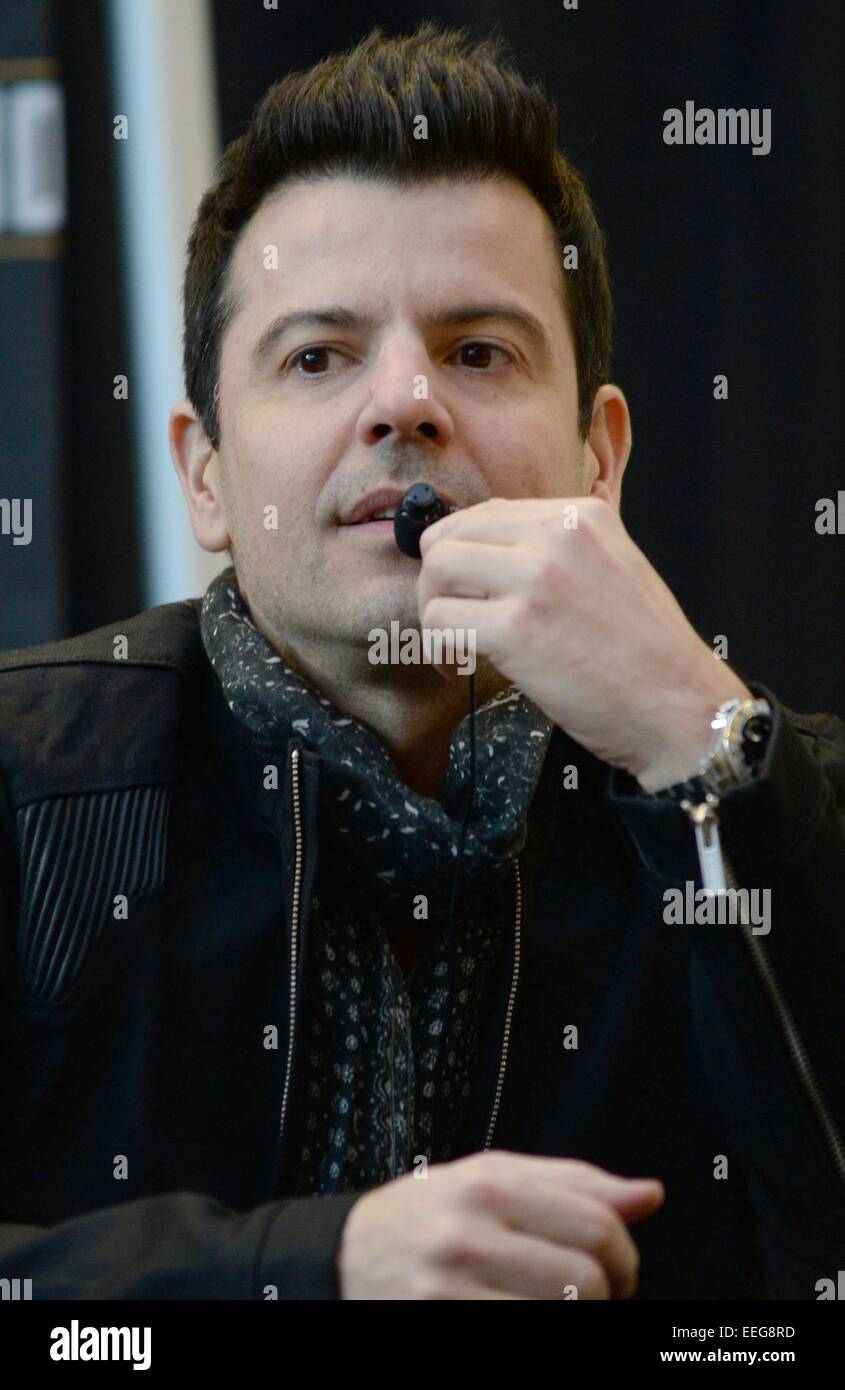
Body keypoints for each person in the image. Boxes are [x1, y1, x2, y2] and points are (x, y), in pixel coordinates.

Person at [0, 22, 843, 1302]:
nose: (405, 402)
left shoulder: (791, 798)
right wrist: (306, 1271)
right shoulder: (24, 786)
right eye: (318, 356)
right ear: (206, 476)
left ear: (596, 458)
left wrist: (700, 744)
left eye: (477, 350)